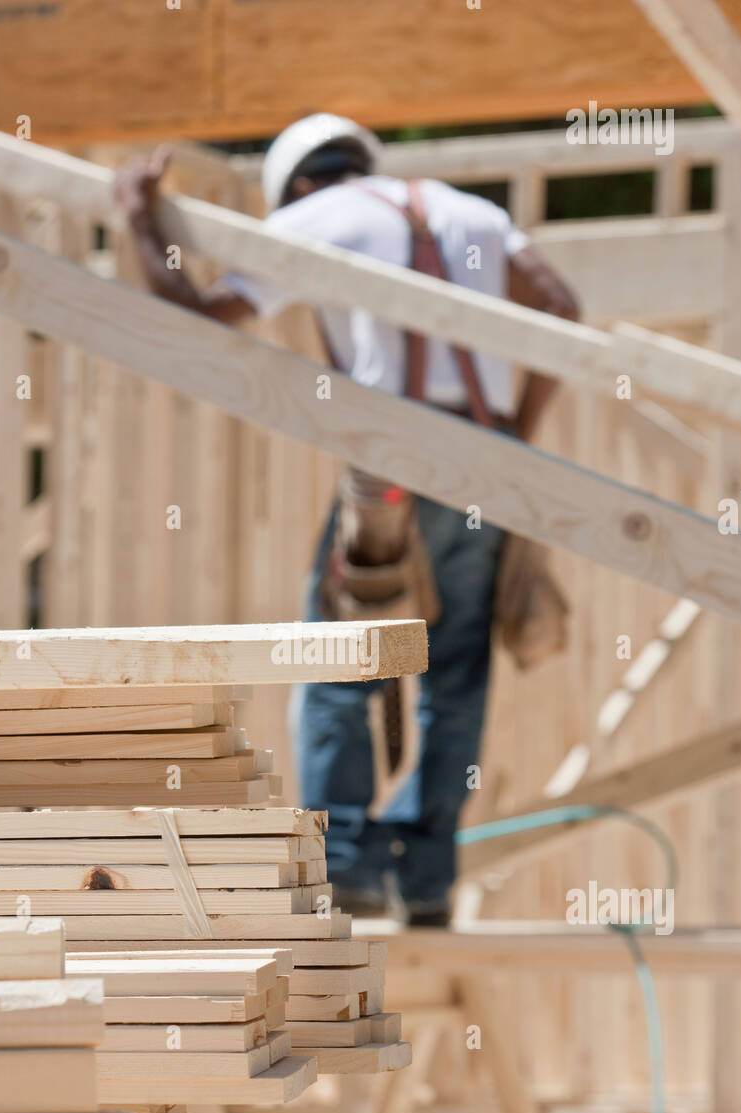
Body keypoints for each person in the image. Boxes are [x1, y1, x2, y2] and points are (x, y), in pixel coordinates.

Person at [115, 113, 579, 925]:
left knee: (338, 662)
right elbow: (562, 306)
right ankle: (427, 878)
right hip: (485, 462)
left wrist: (137, 216)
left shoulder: (316, 216)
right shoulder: (470, 211)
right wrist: (518, 441)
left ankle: (348, 869)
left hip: (391, 459)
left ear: (296, 183)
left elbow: (197, 311)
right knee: (456, 673)